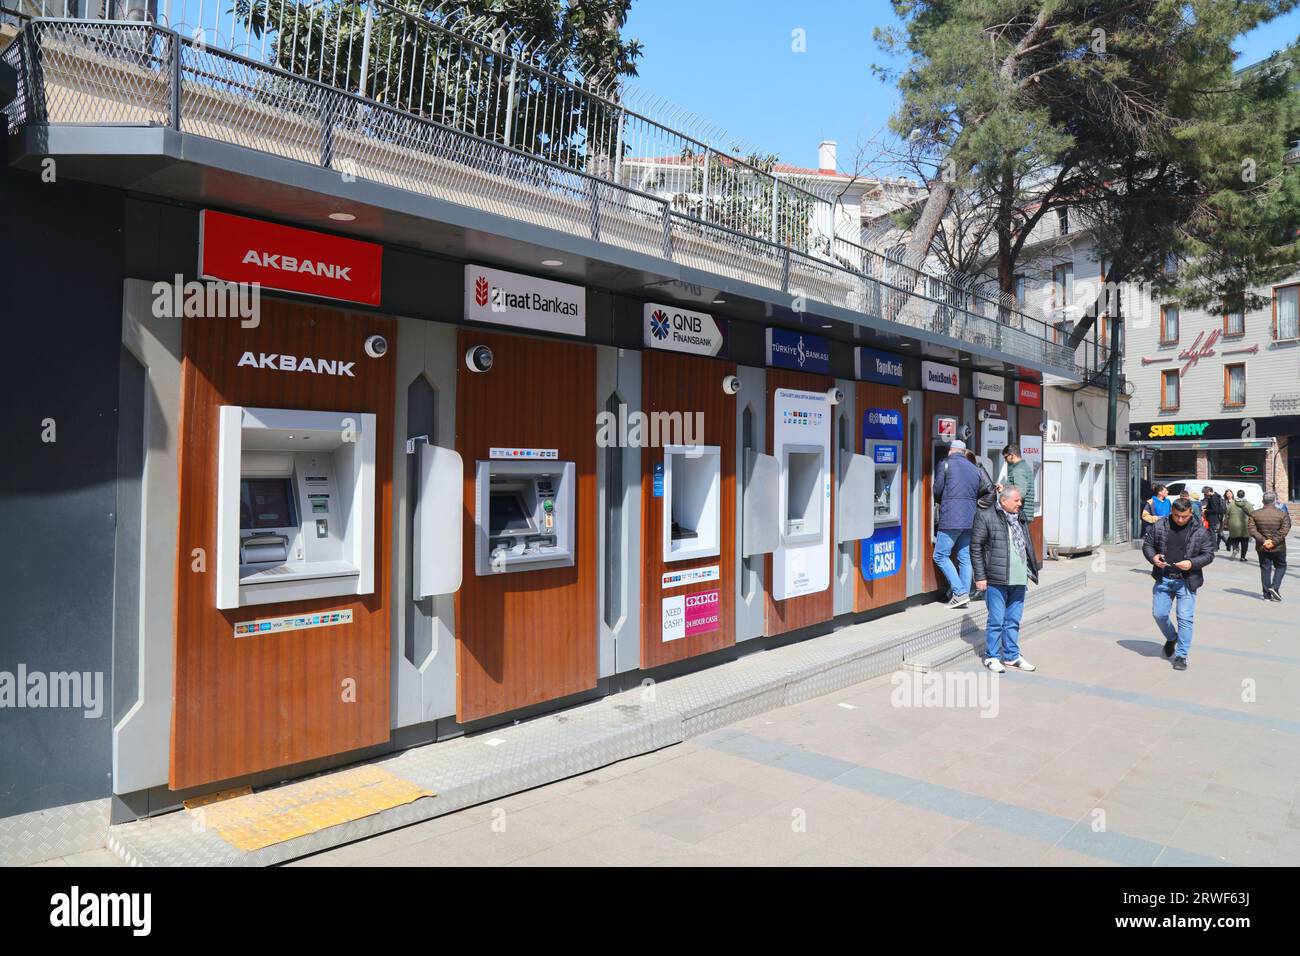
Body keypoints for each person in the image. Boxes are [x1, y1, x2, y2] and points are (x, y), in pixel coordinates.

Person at [972, 487, 1039, 674]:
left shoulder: (1019, 517)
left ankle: (1011, 656)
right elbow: (976, 547)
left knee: (1013, 620)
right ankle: (992, 656)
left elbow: (1026, 544)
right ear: (1003, 501)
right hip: (996, 578)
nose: (1020, 503)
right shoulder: (986, 516)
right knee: (996, 620)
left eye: (1020, 500)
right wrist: (980, 576)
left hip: (1018, 578)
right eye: (1016, 500)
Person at [1143, 498, 1216, 671]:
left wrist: (1191, 563)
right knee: (1159, 614)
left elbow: (1209, 554)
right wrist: (1153, 558)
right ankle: (1171, 637)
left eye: (1184, 516)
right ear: (1171, 513)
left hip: (1187, 581)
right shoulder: (1160, 525)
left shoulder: (1200, 531)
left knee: (1185, 618)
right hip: (1164, 578)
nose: (1180, 519)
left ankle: (1181, 655)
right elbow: (1148, 545)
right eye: (1177, 516)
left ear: (1191, 513)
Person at [932, 439, 994, 609]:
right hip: (970, 518)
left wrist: (944, 501)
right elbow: (985, 490)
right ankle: (964, 596)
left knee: (940, 555)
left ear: (951, 451)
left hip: (951, 517)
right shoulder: (975, 468)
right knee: (965, 557)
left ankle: (959, 592)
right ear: (963, 451)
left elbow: (937, 490)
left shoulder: (945, 464)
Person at [1248, 492, 1291, 602]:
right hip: (1278, 547)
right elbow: (1285, 530)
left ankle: (1266, 594)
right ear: (1274, 501)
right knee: (1281, 566)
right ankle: (1274, 587)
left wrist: (1264, 541)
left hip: (1262, 547)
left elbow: (1252, 530)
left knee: (1265, 568)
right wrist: (1273, 542)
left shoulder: (1254, 514)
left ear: (1263, 501)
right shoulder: (1282, 514)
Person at [1001, 444, 1037, 519]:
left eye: (1005, 457)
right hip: (1023, 514)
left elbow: (1020, 493)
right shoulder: (1024, 467)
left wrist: (1003, 490)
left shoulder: (1018, 470)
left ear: (1012, 455)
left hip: (1020, 514)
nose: (1005, 460)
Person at [1223, 490, 1254, 561]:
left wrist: (1226, 523)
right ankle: (1243, 557)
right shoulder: (1248, 504)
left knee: (1235, 540)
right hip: (1245, 526)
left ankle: (1235, 549)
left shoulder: (1232, 504)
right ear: (1244, 495)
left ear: (1237, 495)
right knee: (1244, 542)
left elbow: (1227, 514)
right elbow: (1253, 514)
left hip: (1234, 525)